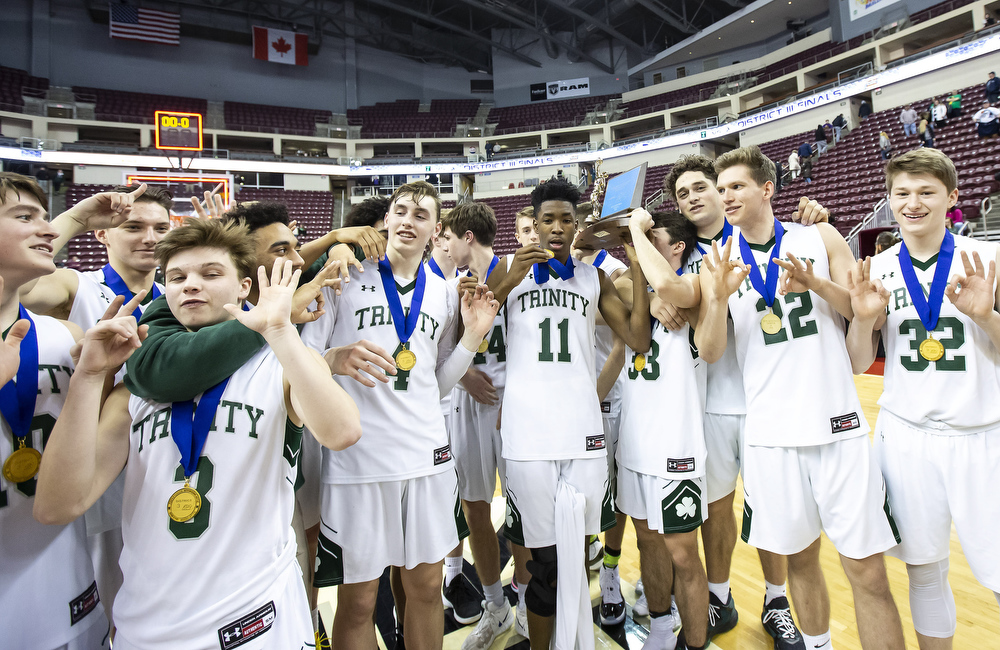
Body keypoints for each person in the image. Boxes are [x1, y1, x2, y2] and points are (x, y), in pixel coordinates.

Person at [34, 216, 363, 649]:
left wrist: (280, 329)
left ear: (246, 287)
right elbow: (58, 504)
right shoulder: (136, 388)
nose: (190, 285)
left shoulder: (281, 362)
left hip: (255, 622)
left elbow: (341, 431)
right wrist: (91, 377)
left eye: (210, 274)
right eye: (176, 277)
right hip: (147, 624)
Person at [696, 145, 906, 650]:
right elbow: (710, 350)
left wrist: (815, 284)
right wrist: (719, 298)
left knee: (867, 571)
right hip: (769, 434)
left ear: (767, 189)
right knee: (802, 562)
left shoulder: (820, 234)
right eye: (720, 189)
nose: (726, 197)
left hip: (836, 425)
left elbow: (860, 315)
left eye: (736, 186)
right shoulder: (716, 261)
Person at [301, 181, 500, 649]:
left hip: (426, 459)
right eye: (402, 211)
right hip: (359, 462)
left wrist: (472, 337)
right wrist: (331, 360)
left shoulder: (445, 292)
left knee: (427, 589)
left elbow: (437, 382)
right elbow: (305, 363)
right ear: (387, 220)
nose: (409, 220)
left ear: (436, 231)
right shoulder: (342, 274)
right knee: (359, 602)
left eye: (422, 214)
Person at [663, 154, 831, 649]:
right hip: (711, 399)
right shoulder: (685, 251)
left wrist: (814, 217)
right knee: (717, 510)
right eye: (682, 193)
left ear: (726, 192)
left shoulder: (782, 235)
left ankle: (776, 601)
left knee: (772, 508)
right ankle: (719, 596)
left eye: (702, 187)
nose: (693, 198)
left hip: (768, 400)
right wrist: (657, 296)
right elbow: (654, 285)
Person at [845, 148, 1000, 649]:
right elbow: (856, 360)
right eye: (902, 193)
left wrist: (986, 317)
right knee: (924, 570)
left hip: (982, 436)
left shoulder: (989, 259)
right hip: (906, 438)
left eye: (926, 192)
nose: (912, 203)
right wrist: (865, 318)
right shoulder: (879, 267)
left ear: (952, 197)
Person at [486, 177, 650, 650]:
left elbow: (638, 339)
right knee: (541, 567)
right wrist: (508, 280)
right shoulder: (506, 270)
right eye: (547, 220)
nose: (557, 228)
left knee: (578, 558)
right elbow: (471, 331)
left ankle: (574, 642)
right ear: (533, 226)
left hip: (582, 431)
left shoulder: (592, 277)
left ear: (576, 225)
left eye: (565, 220)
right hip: (526, 434)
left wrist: (635, 261)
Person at [19, 181, 171, 629]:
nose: (150, 237)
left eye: (161, 227)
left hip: (157, 465)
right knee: (101, 607)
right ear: (104, 234)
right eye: (134, 226)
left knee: (149, 607)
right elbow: (18, 286)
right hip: (92, 468)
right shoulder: (77, 286)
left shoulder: (177, 296)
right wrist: (77, 219)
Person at [0, 172, 110, 649]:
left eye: (48, 218)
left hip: (68, 580)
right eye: (24, 218)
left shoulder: (65, 337)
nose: (48, 231)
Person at [438, 202, 534, 646]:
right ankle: (495, 604)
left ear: (468, 237)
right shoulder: (450, 284)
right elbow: (442, 350)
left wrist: (511, 391)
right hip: (467, 405)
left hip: (511, 406)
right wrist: (464, 376)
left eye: (451, 237)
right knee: (476, 506)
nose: (447, 245)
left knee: (521, 512)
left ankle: (531, 602)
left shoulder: (519, 269)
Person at [617, 208, 712, 650]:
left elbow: (681, 295)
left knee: (683, 555)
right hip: (634, 446)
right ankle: (658, 629)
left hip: (677, 450)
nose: (640, 243)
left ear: (678, 248)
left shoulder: (696, 289)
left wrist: (657, 290)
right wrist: (648, 293)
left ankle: (694, 644)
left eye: (651, 238)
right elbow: (609, 278)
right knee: (648, 544)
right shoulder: (638, 293)